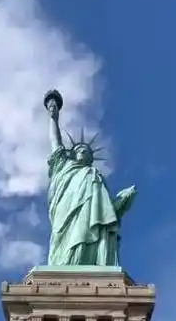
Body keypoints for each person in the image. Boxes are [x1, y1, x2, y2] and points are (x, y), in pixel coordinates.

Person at [44, 89, 137, 267]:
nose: (81, 151)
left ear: (90, 158)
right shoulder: (63, 166)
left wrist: (122, 202)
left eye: (85, 150)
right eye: (78, 149)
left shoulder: (95, 177)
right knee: (64, 250)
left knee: (90, 234)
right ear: (72, 154)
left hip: (88, 218)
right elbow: (55, 142)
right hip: (65, 213)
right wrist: (53, 118)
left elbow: (105, 215)